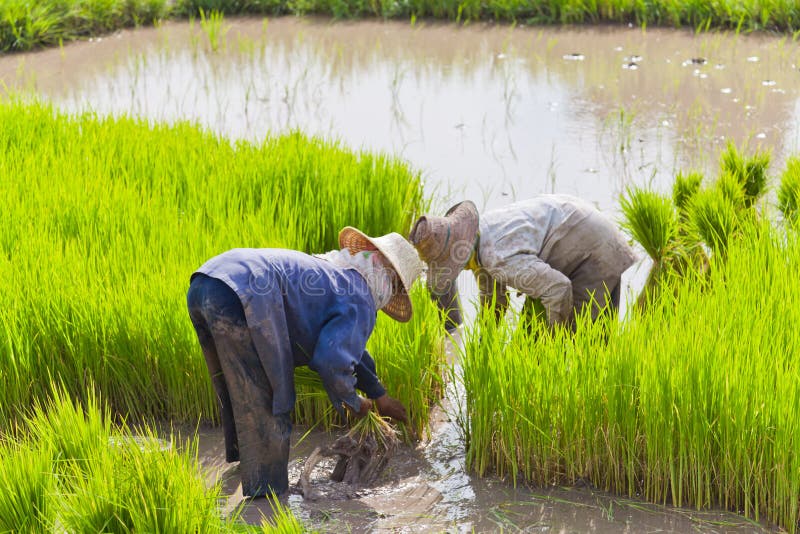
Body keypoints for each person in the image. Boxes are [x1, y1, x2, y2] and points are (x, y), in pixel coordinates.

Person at [186, 227, 423, 498]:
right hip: (243, 294)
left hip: (207, 282)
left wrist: (380, 396)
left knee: (236, 385)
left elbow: (351, 351)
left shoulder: (339, 275)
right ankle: (266, 498)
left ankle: (246, 466)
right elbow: (331, 361)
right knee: (270, 396)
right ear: (389, 280)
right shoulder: (360, 297)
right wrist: (355, 403)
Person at [409, 194, 638, 330]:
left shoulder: (497, 258)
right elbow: (495, 304)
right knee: (538, 335)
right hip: (584, 231)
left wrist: (553, 341)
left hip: (591, 254)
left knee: (585, 342)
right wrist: (483, 343)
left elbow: (559, 289)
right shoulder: (481, 237)